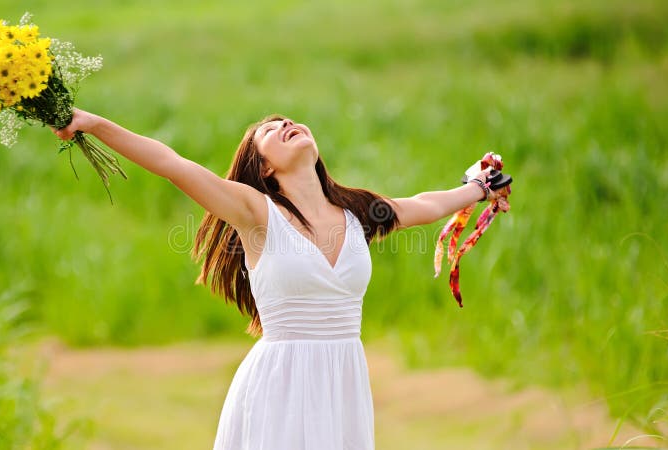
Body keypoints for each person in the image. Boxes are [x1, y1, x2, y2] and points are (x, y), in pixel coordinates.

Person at [52, 109, 495, 450]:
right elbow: (173, 164)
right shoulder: (256, 213)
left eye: (290, 121)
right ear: (263, 168)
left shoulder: (358, 212)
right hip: (281, 384)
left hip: (343, 382)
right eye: (272, 129)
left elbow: (424, 204)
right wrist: (93, 124)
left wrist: (480, 186)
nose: (287, 124)